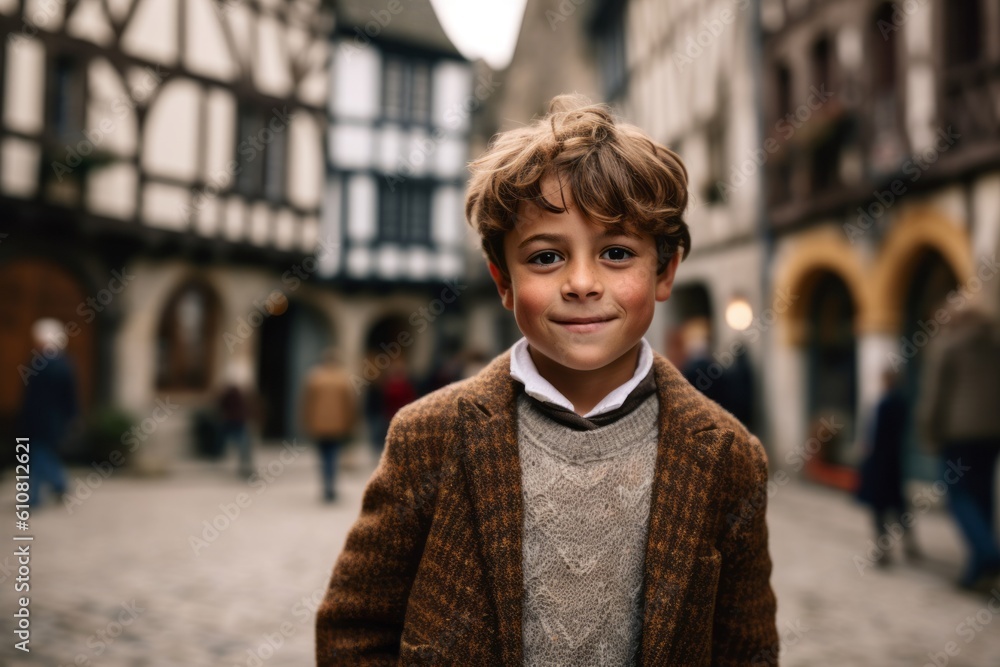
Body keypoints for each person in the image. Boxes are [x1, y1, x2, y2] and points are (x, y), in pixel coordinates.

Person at [316, 95, 777, 665]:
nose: (582, 283)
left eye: (615, 252)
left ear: (664, 272)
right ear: (503, 282)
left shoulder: (729, 456)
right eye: (544, 258)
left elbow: (746, 650)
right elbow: (354, 629)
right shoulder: (428, 437)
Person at [919, 305, 1000, 591]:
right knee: (983, 498)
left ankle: (989, 555)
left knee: (959, 496)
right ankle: (976, 572)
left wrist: (929, 432)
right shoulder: (993, 342)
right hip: (991, 434)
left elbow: (935, 393)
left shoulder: (948, 344)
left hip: (958, 434)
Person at [856, 368, 919, 566]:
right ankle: (910, 544)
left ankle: (884, 551)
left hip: (879, 464)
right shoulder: (902, 404)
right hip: (893, 463)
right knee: (898, 506)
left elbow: (874, 437)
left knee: (880, 509)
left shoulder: (883, 405)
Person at [18, 319, 79, 507]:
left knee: (37, 456)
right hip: (54, 420)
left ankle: (37, 495)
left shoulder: (42, 364)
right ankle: (52, 488)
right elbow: (70, 396)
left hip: (40, 420)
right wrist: (71, 417)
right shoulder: (64, 364)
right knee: (41, 455)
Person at [302, 348, 358, 502]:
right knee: (332, 456)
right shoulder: (343, 379)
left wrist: (307, 421)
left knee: (323, 456)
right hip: (337, 425)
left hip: (319, 425)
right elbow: (349, 405)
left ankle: (326, 486)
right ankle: (330, 487)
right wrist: (350, 423)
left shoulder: (314, 377)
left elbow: (307, 403)